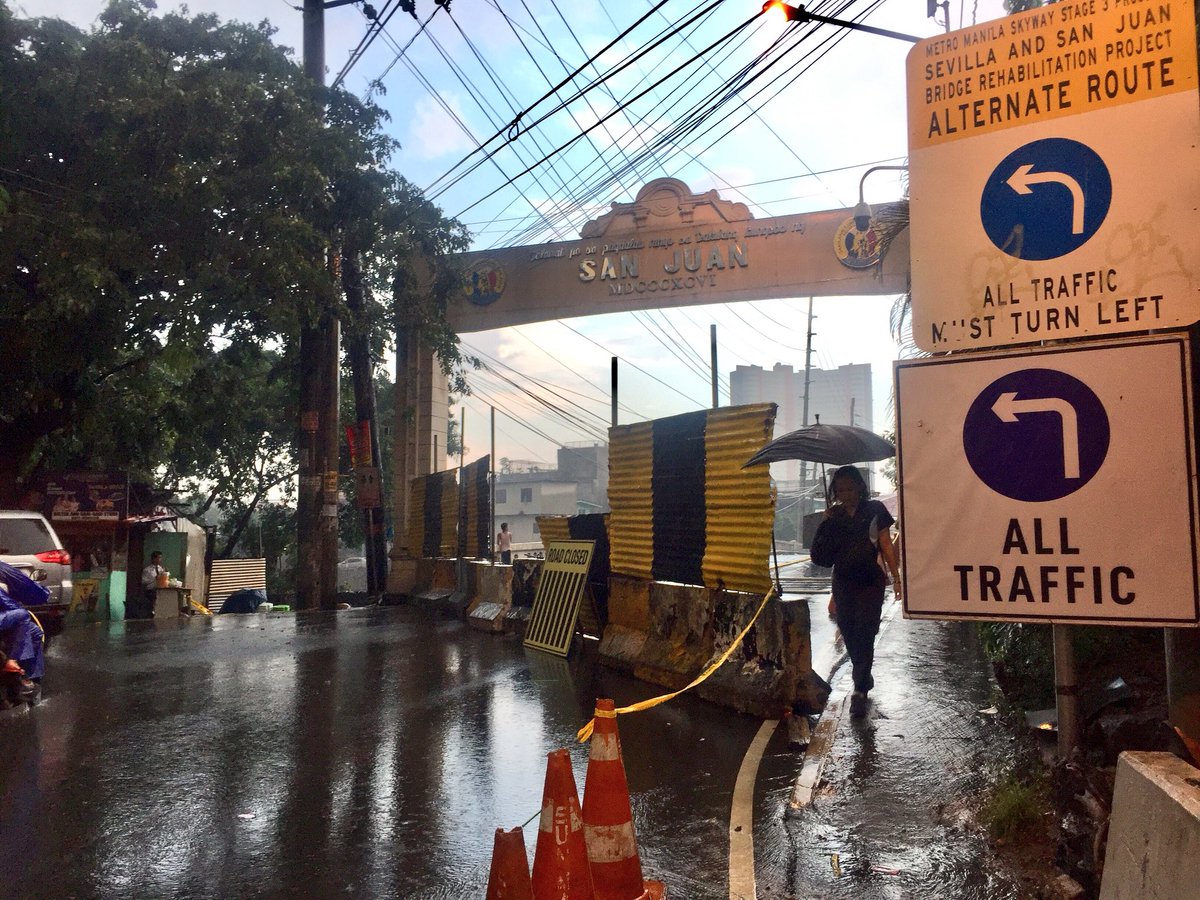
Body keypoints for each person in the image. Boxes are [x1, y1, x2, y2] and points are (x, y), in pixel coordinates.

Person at [810, 465, 900, 718]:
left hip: (871, 580)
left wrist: (897, 578)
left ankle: (860, 687)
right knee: (848, 629)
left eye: (850, 488)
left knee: (867, 629)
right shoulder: (833, 515)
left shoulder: (875, 510)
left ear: (860, 487)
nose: (846, 494)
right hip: (843, 581)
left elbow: (885, 545)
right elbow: (821, 553)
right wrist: (826, 523)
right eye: (840, 490)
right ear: (834, 491)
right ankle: (863, 672)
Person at [139, 551, 164, 619]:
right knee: (152, 603)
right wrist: (153, 579)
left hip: (159, 589)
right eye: (158, 558)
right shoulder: (147, 570)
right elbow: (143, 581)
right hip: (150, 590)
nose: (160, 560)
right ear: (153, 559)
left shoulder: (161, 569)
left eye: (160, 558)